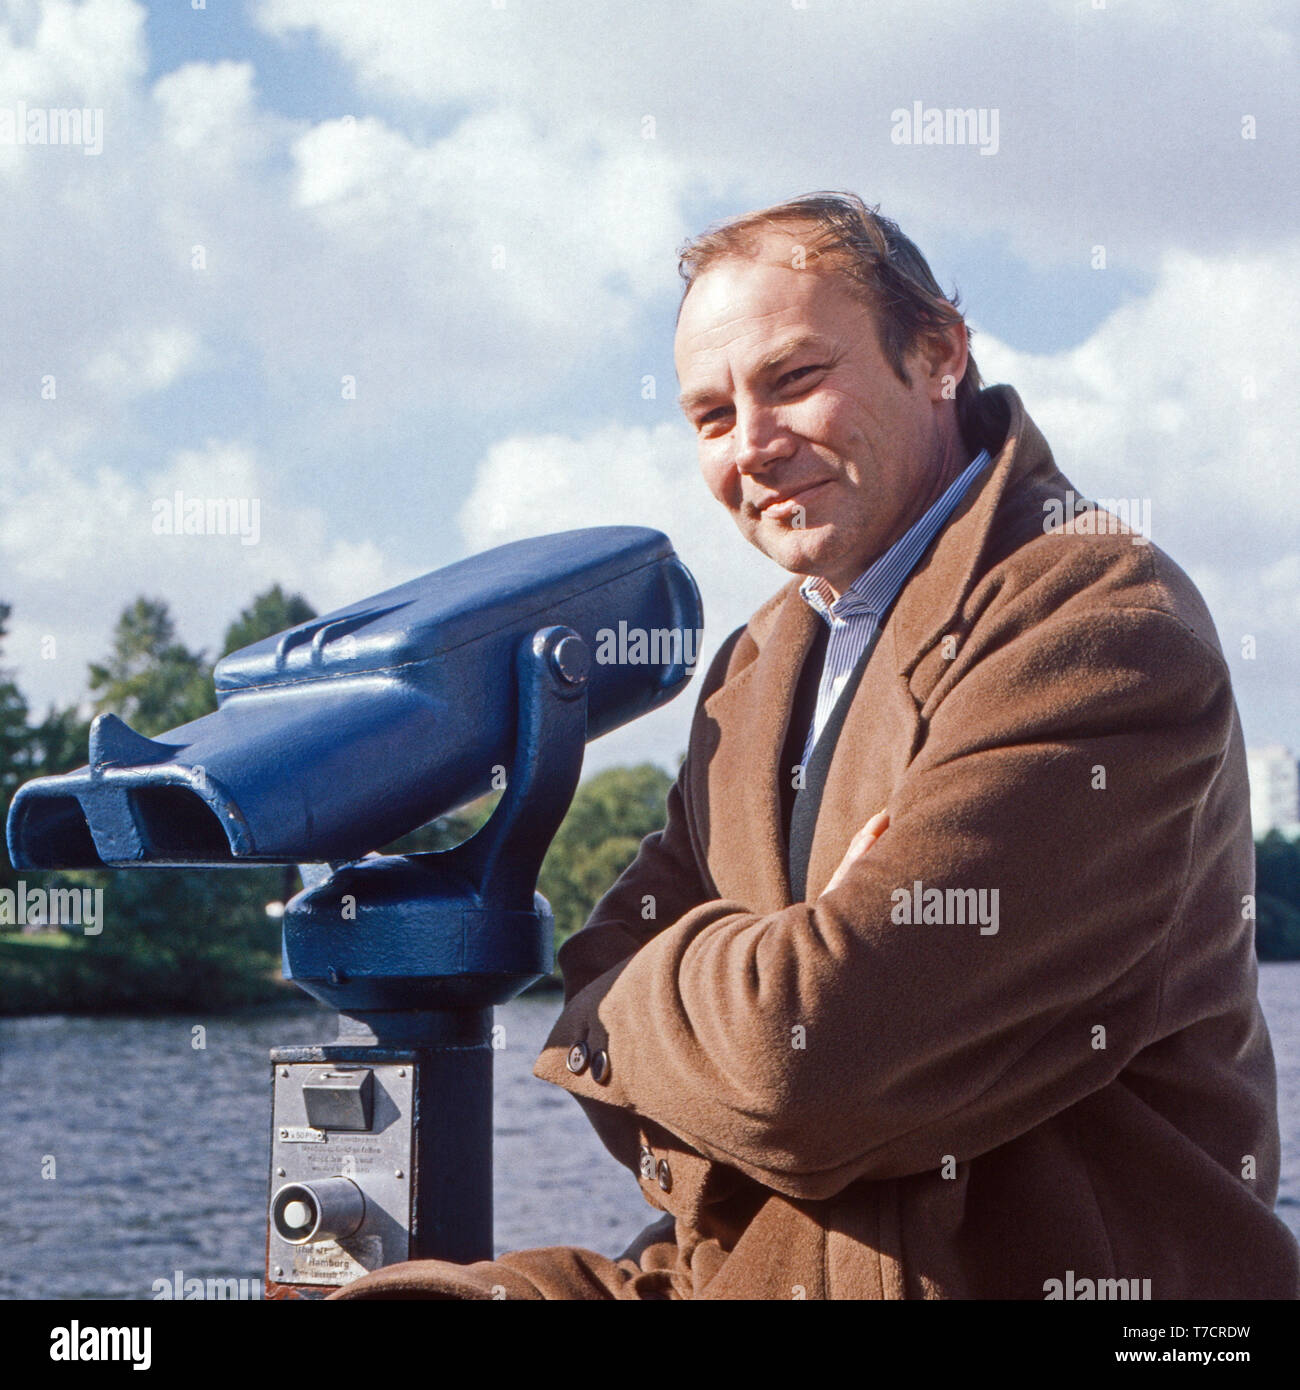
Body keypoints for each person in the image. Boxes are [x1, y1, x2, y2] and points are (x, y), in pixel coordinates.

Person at [333, 191, 1300, 1300]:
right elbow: (599, 979)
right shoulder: (754, 671)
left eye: (794, 379)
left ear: (939, 354)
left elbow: (804, 1063)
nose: (752, 445)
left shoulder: (1097, 623)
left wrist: (738, 1015)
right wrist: (765, 972)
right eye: (709, 414)